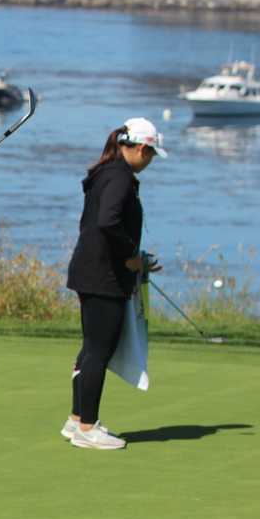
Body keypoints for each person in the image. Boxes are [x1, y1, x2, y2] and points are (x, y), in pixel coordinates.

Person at [64, 117, 166, 450]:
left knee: (91, 348)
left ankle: (77, 420)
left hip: (92, 271)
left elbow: (99, 224)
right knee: (98, 352)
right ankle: (88, 428)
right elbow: (108, 223)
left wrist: (136, 257)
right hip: (103, 275)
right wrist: (130, 258)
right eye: (150, 154)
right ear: (139, 148)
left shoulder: (106, 173)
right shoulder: (120, 178)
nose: (149, 161)